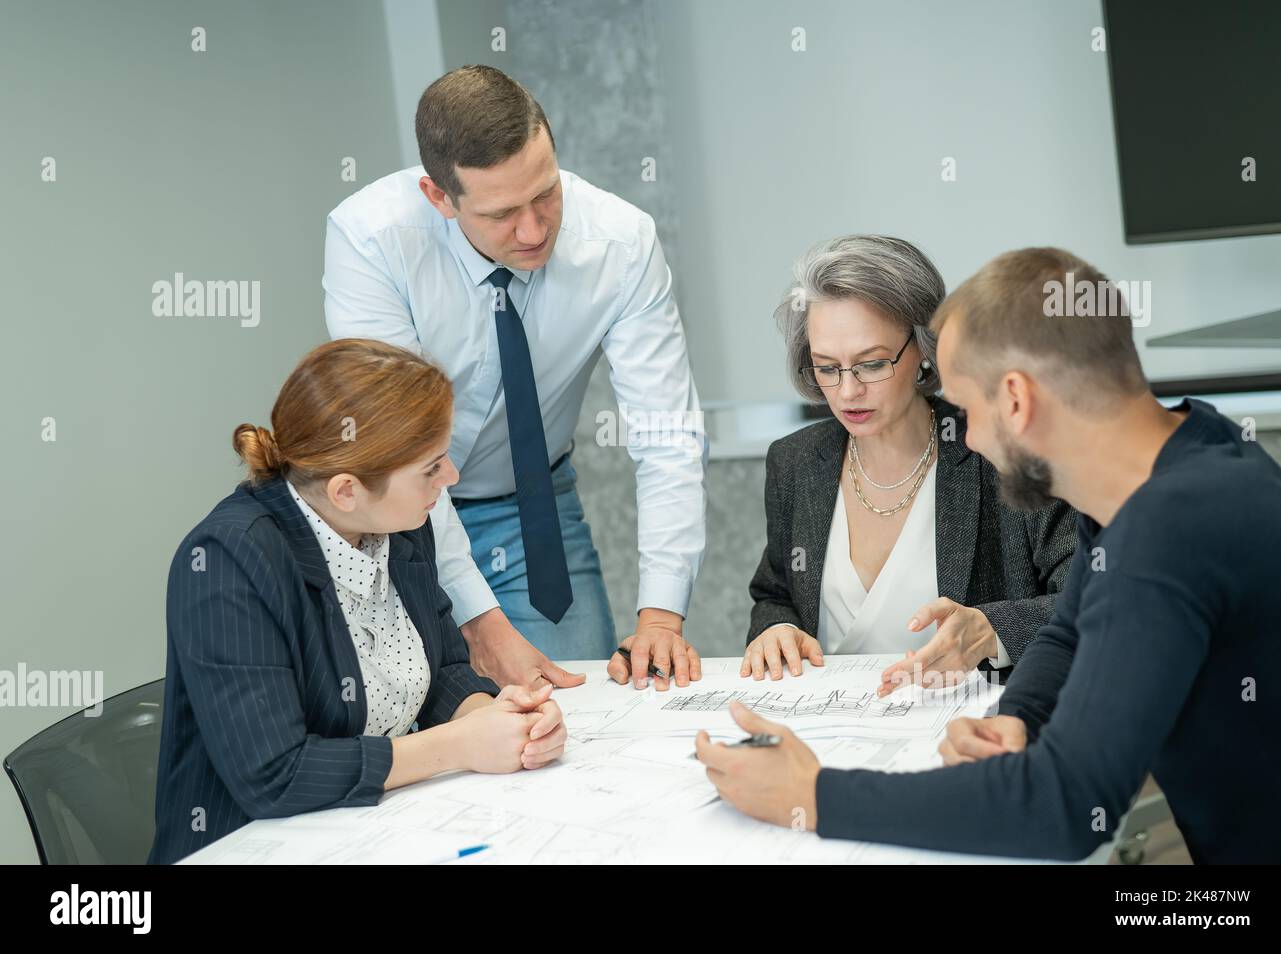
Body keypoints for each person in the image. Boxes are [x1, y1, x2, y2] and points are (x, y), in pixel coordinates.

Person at [697, 247, 1281, 863]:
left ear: (1015, 399)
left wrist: (814, 795)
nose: (970, 436)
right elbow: (1068, 632)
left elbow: (1063, 808)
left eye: (968, 408)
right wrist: (1016, 716)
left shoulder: (1165, 535)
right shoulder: (1184, 451)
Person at [324, 65, 705, 691]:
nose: (534, 231)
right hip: (390, 515)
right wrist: (481, 623)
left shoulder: (622, 244)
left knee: (576, 720)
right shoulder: (372, 240)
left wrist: (661, 614)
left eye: (546, 194)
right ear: (438, 197)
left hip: (533, 514)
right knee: (414, 719)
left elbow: (666, 436)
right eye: (502, 213)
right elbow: (397, 442)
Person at [150, 339, 567, 865]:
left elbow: (441, 669)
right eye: (432, 468)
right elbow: (275, 775)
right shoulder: (229, 561)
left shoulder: (399, 522)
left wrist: (504, 721)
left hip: (371, 832)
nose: (452, 479)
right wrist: (460, 745)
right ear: (346, 490)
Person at [748, 235, 1076, 693]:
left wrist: (991, 629)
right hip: (828, 729)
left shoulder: (1002, 450)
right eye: (826, 367)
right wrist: (774, 630)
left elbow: (1094, 598)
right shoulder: (796, 462)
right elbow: (776, 594)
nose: (847, 392)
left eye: (872, 363)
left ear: (924, 347)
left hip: (967, 732)